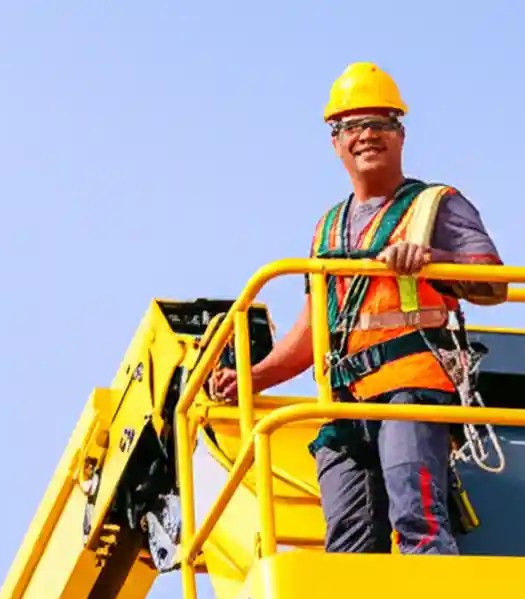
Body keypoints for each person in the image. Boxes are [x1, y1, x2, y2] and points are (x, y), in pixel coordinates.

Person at [210, 62, 507, 556]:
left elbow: (493, 282)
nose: (366, 135)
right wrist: (254, 377)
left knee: (417, 517)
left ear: (401, 135)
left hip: (412, 387)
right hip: (347, 404)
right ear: (335, 142)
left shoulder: (435, 205)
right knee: (346, 542)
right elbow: (315, 328)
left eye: (380, 123)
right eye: (351, 126)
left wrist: (431, 261)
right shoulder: (328, 228)